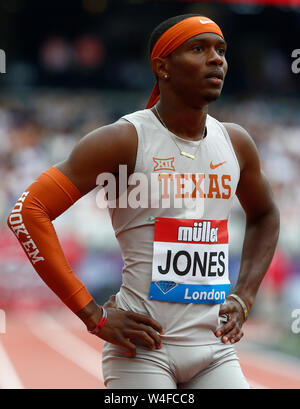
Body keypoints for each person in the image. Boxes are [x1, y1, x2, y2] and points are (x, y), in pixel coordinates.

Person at [7, 14, 280, 389]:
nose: (216, 59)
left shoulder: (235, 143)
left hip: (214, 349)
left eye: (221, 50)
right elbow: (27, 212)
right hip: (143, 350)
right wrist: (93, 315)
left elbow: (265, 214)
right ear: (161, 66)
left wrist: (245, 295)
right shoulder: (123, 140)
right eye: (198, 49)